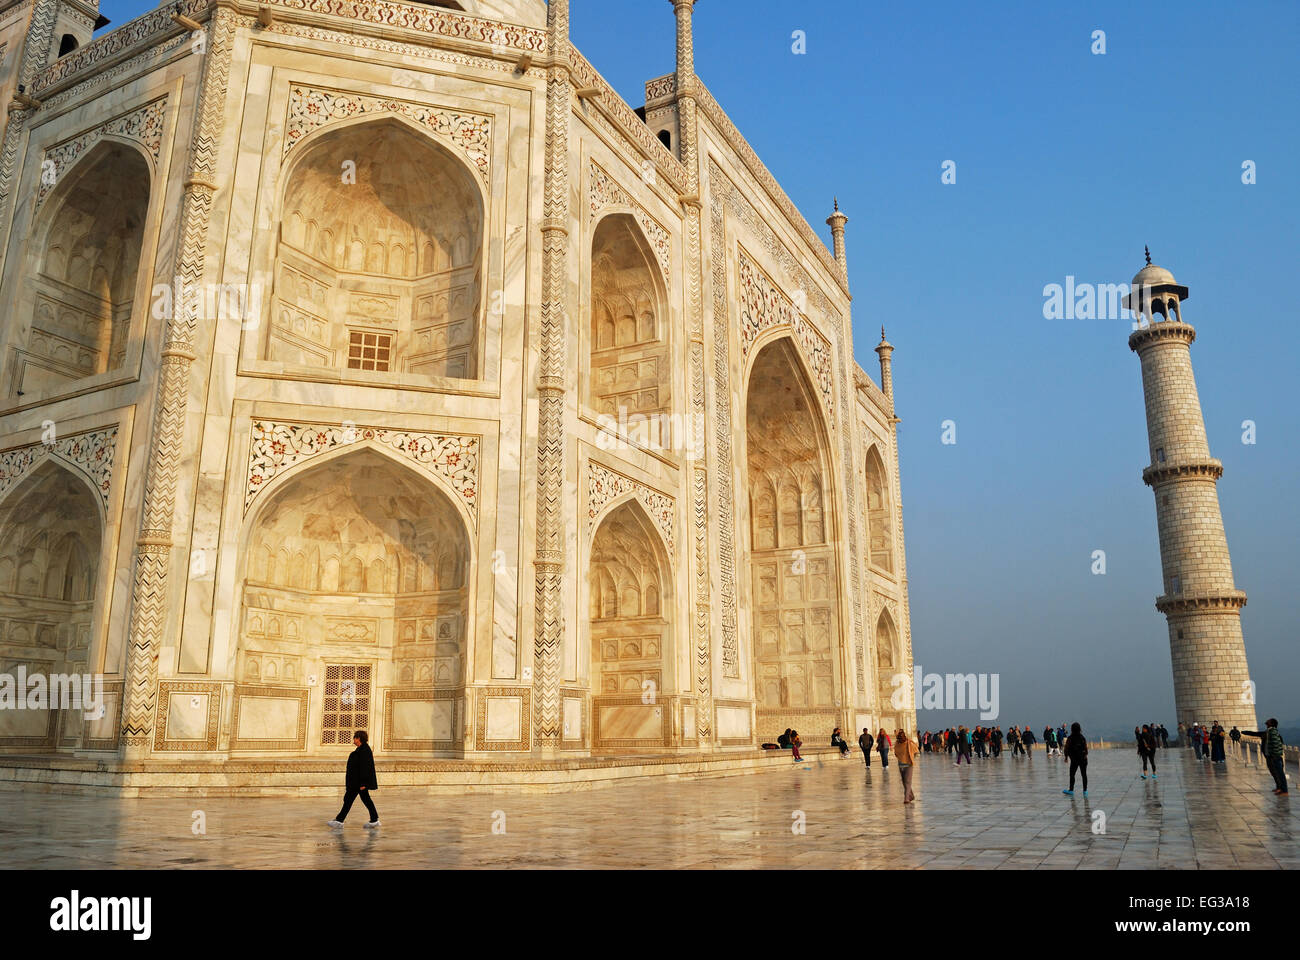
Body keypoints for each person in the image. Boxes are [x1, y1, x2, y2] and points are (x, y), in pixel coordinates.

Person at [328, 729, 380, 828]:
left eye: (355, 738)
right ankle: (374, 819)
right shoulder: (362, 749)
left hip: (358, 783)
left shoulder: (364, 751)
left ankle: (339, 821)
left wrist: (363, 784)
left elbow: (365, 768)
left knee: (349, 800)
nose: (353, 740)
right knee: (362, 800)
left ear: (358, 738)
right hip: (357, 782)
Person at [1242, 719, 1288, 795]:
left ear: (1271, 724)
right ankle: (1279, 788)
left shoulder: (1270, 733)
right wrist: (1245, 732)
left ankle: (1284, 790)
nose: (1266, 723)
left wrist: (1274, 753)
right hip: (1270, 756)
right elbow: (1255, 734)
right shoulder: (1270, 733)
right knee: (1274, 772)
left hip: (1274, 756)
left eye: (1268, 722)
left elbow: (1256, 734)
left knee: (1279, 773)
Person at [1062, 722, 1088, 797]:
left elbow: (1066, 748)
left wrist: (1066, 757)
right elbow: (1085, 748)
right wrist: (1085, 755)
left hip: (1074, 759)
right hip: (1083, 759)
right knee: (1084, 775)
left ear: (1072, 729)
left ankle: (1071, 790)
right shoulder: (1082, 737)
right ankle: (1085, 791)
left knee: (1072, 774)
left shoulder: (1070, 738)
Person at [895, 730, 920, 803]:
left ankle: (906, 798)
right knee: (904, 782)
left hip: (909, 765)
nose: (901, 739)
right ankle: (911, 795)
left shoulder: (909, 743)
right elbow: (896, 753)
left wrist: (910, 758)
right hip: (901, 765)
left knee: (907, 782)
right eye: (899, 738)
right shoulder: (897, 744)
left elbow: (915, 751)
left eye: (901, 737)